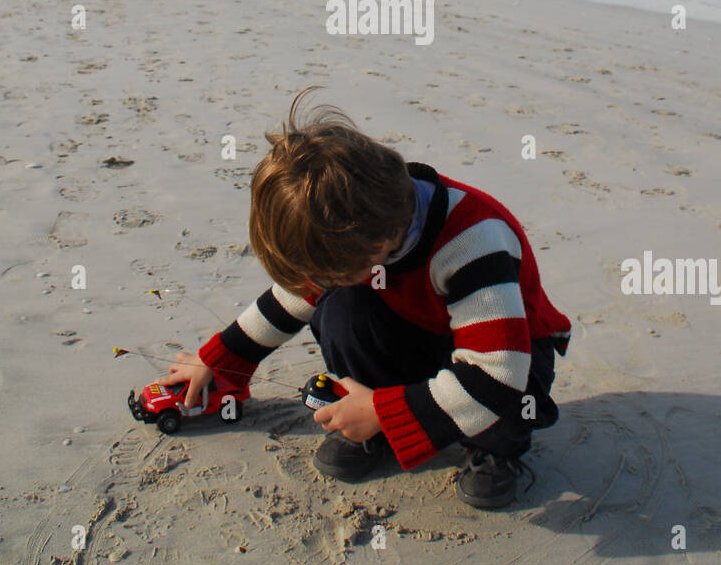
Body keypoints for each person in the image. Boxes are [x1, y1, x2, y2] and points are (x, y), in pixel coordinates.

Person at [160, 89, 570, 511]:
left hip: (513, 357)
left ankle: (495, 450)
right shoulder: (363, 225)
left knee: (503, 409)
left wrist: (386, 411)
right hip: (427, 337)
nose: (315, 284)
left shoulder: (472, 239)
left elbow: (497, 376)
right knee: (343, 310)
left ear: (379, 243)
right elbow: (295, 297)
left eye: (329, 274)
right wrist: (222, 359)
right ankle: (374, 425)